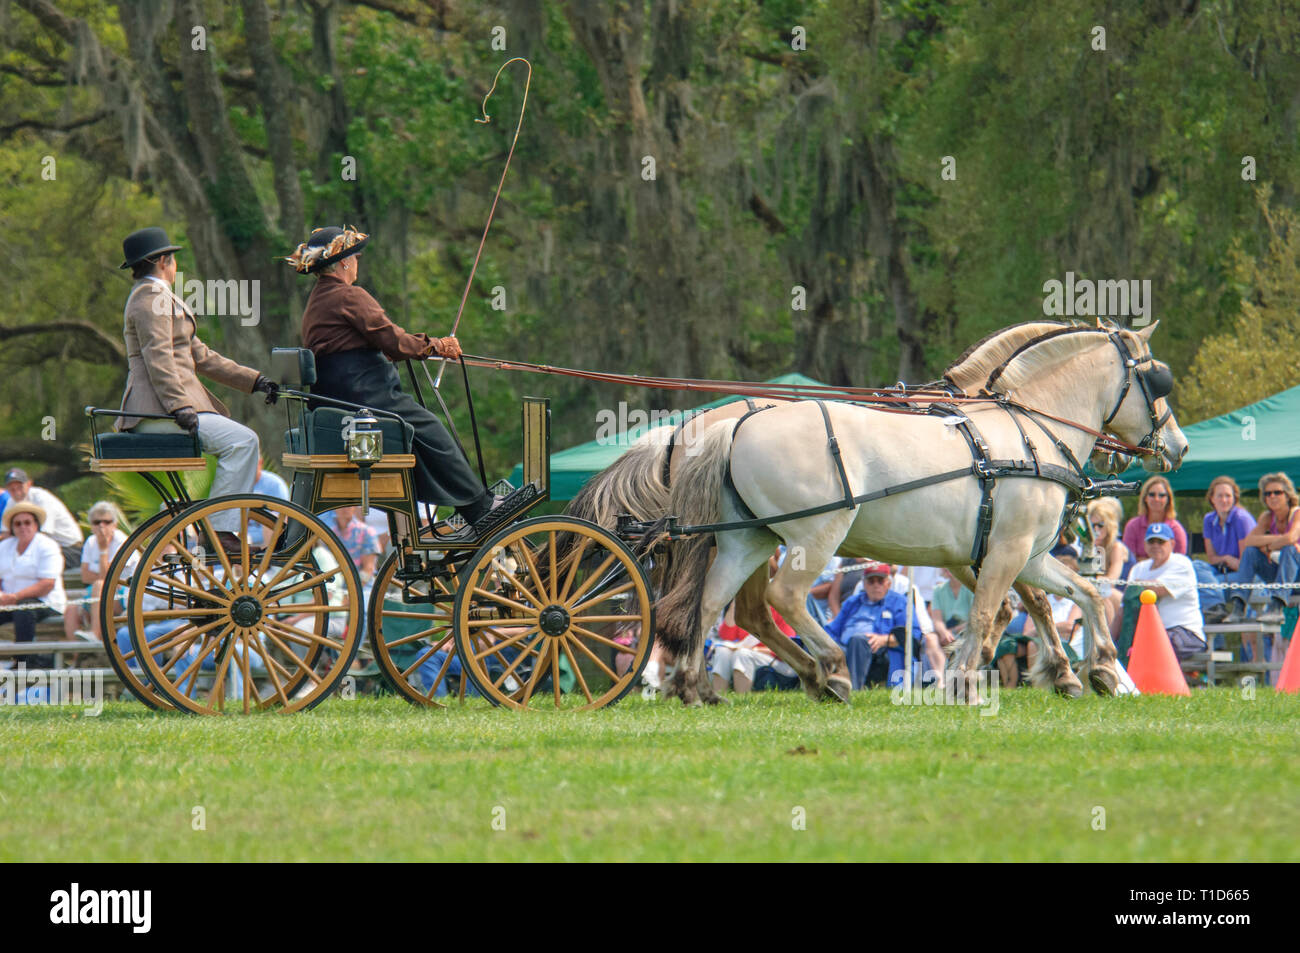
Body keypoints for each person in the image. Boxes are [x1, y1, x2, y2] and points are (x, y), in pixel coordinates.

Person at [287, 226, 504, 533]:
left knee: (424, 430)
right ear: (345, 262)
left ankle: (467, 503)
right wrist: (436, 346)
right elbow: (393, 341)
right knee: (432, 429)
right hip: (364, 398)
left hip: (344, 396)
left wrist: (417, 347)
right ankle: (479, 508)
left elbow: (366, 343)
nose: (358, 263)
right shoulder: (349, 295)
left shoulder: (317, 301)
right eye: (356, 258)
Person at [116, 227, 279, 552]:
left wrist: (254, 380)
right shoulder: (149, 300)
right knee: (244, 442)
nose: (176, 267)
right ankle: (218, 531)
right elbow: (157, 356)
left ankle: (217, 527)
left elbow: (201, 356)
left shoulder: (159, 299)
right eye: (173, 260)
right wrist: (180, 407)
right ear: (163, 261)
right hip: (158, 412)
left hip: (170, 409)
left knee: (241, 441)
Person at [823, 562, 923, 689]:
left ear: (888, 583)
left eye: (880, 581)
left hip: (880, 651)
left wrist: (884, 640)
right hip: (844, 647)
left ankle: (853, 690)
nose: (876, 585)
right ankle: (804, 686)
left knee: (858, 640)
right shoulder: (853, 602)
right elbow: (833, 630)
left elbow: (912, 635)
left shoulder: (900, 602)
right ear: (864, 584)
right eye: (871, 581)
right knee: (815, 641)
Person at [1125, 523, 1205, 672]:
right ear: (1145, 544)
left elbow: (1159, 589)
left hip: (1186, 633)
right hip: (1149, 632)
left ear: (1172, 544)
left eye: (1161, 541)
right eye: (1151, 541)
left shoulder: (1182, 563)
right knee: (1130, 643)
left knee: (1155, 644)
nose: (1156, 545)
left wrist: (1136, 585)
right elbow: (1126, 601)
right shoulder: (1138, 568)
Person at [1223, 472, 1300, 626]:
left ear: (1287, 495)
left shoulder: (1297, 513)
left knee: (1290, 549)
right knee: (1251, 552)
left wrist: (1267, 546)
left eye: (1277, 492)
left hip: (1296, 578)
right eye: (1268, 493)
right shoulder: (1267, 517)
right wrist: (1276, 542)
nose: (1272, 496)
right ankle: (1238, 606)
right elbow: (1250, 541)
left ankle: (1276, 607)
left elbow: (1291, 538)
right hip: (1280, 576)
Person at [0, 502, 68, 668]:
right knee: (20, 608)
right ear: (12, 527)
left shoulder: (48, 546)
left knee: (23, 609)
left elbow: (47, 584)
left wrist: (15, 597)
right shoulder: (4, 546)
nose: (23, 527)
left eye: (27, 522)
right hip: (9, 602)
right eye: (18, 523)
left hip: (46, 601)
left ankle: (24, 663)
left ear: (36, 524)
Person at [1200, 476, 1256, 624]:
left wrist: (1230, 561)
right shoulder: (1208, 520)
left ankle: (1217, 609)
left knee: (1202, 588)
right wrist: (1226, 559)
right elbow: (1211, 558)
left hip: (1246, 577)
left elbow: (1246, 565)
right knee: (1196, 567)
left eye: (1228, 496)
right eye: (1220, 495)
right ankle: (1217, 609)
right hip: (1222, 571)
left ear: (1234, 498)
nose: (1224, 500)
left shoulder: (1241, 519)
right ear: (1212, 498)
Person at [1, 469, 83, 568]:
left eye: (20, 487)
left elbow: (43, 535)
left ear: (29, 484)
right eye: (12, 489)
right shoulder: (11, 502)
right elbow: (6, 534)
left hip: (69, 549)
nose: (17, 492)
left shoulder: (42, 499)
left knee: (27, 564)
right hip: (42, 548)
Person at [79, 501, 128, 641]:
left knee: (99, 585)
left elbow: (108, 579)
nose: (101, 526)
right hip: (100, 594)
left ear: (115, 524)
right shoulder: (90, 541)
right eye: (96, 522)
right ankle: (76, 659)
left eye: (107, 522)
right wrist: (102, 577)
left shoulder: (121, 541)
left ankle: (95, 633)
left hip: (124, 596)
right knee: (71, 611)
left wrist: (103, 550)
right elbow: (85, 576)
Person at [1086, 498, 1131, 637]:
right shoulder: (1088, 546)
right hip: (1099, 592)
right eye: (1092, 525)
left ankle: (1107, 640)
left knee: (1106, 597)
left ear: (1109, 526)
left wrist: (1090, 579)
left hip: (1120, 598)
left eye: (1100, 525)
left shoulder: (1116, 547)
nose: (1096, 530)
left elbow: (1112, 580)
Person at [1122, 475, 1188, 559]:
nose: (1157, 499)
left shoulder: (1176, 529)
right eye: (1152, 495)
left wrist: (1143, 559)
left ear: (1168, 499)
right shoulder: (1133, 526)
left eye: (1162, 495)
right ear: (1145, 498)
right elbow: (1128, 560)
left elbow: (1180, 562)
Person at [249, 458, 290, 548]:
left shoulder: (275, 485)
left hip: (265, 542)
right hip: (238, 540)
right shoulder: (236, 485)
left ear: (260, 462)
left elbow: (282, 524)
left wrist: (250, 537)